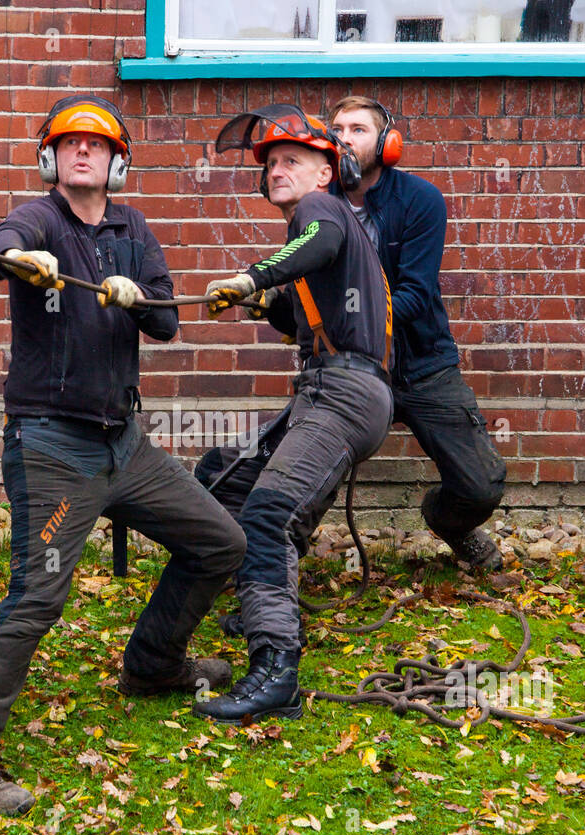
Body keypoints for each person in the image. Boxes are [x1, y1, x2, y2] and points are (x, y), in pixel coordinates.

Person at [0, 95, 246, 813]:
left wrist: (135, 300)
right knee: (39, 593)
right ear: (51, 158)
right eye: (69, 144)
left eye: (96, 146)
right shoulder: (38, 218)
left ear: (115, 162)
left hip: (123, 445)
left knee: (221, 541)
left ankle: (153, 664)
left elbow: (166, 320)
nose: (82, 153)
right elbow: (0, 244)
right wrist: (24, 260)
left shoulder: (134, 229)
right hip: (51, 448)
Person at [191, 105, 394, 724]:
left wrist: (251, 278)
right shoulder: (327, 231)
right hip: (330, 391)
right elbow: (302, 304)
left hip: (345, 395)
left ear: (326, 173)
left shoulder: (321, 213)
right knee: (225, 476)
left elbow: (317, 244)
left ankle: (276, 672)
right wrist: (260, 303)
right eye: (272, 164)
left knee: (271, 514)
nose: (278, 171)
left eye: (292, 162)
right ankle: (261, 601)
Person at [329, 95, 507, 571]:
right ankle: (275, 559)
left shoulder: (420, 200)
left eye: (358, 129)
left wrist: (346, 315)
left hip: (426, 364)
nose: (343, 138)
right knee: (305, 477)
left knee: (481, 485)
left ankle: (448, 522)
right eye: (337, 129)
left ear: (388, 144)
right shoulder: (317, 208)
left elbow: (414, 294)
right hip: (351, 369)